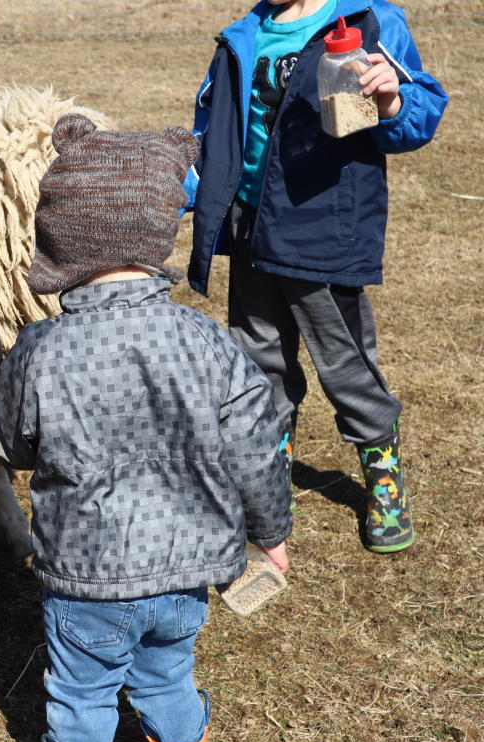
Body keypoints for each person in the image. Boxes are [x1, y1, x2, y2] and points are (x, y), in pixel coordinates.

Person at [0, 114, 293, 742]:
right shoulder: (206, 339)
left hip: (86, 580)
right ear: (154, 232)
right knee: (169, 676)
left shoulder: (41, 351)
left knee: (80, 689)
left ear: (61, 235)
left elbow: (15, 443)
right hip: (185, 572)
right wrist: (271, 534)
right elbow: (259, 442)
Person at [185, 0, 447, 553]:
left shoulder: (372, 23)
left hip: (326, 229)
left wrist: (391, 99)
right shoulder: (242, 36)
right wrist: (179, 191)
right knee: (259, 367)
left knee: (346, 365)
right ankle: (268, 488)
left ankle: (383, 480)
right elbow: (212, 133)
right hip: (251, 226)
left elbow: (420, 118)